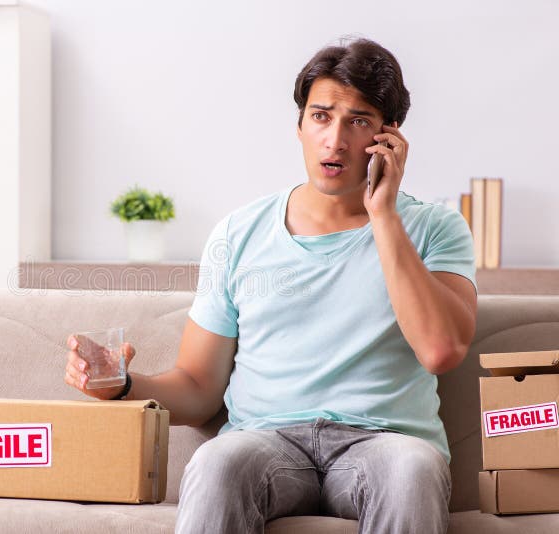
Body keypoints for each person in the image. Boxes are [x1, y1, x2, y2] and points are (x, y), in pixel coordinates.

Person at [65, 37, 477, 534]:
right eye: (321, 117)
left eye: (359, 121)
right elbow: (198, 389)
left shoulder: (435, 228)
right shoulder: (239, 233)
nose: (336, 140)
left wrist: (383, 216)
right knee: (216, 464)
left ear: (389, 137)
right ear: (300, 125)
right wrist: (123, 384)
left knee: (415, 468)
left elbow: (440, 350)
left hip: (384, 442)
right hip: (268, 442)